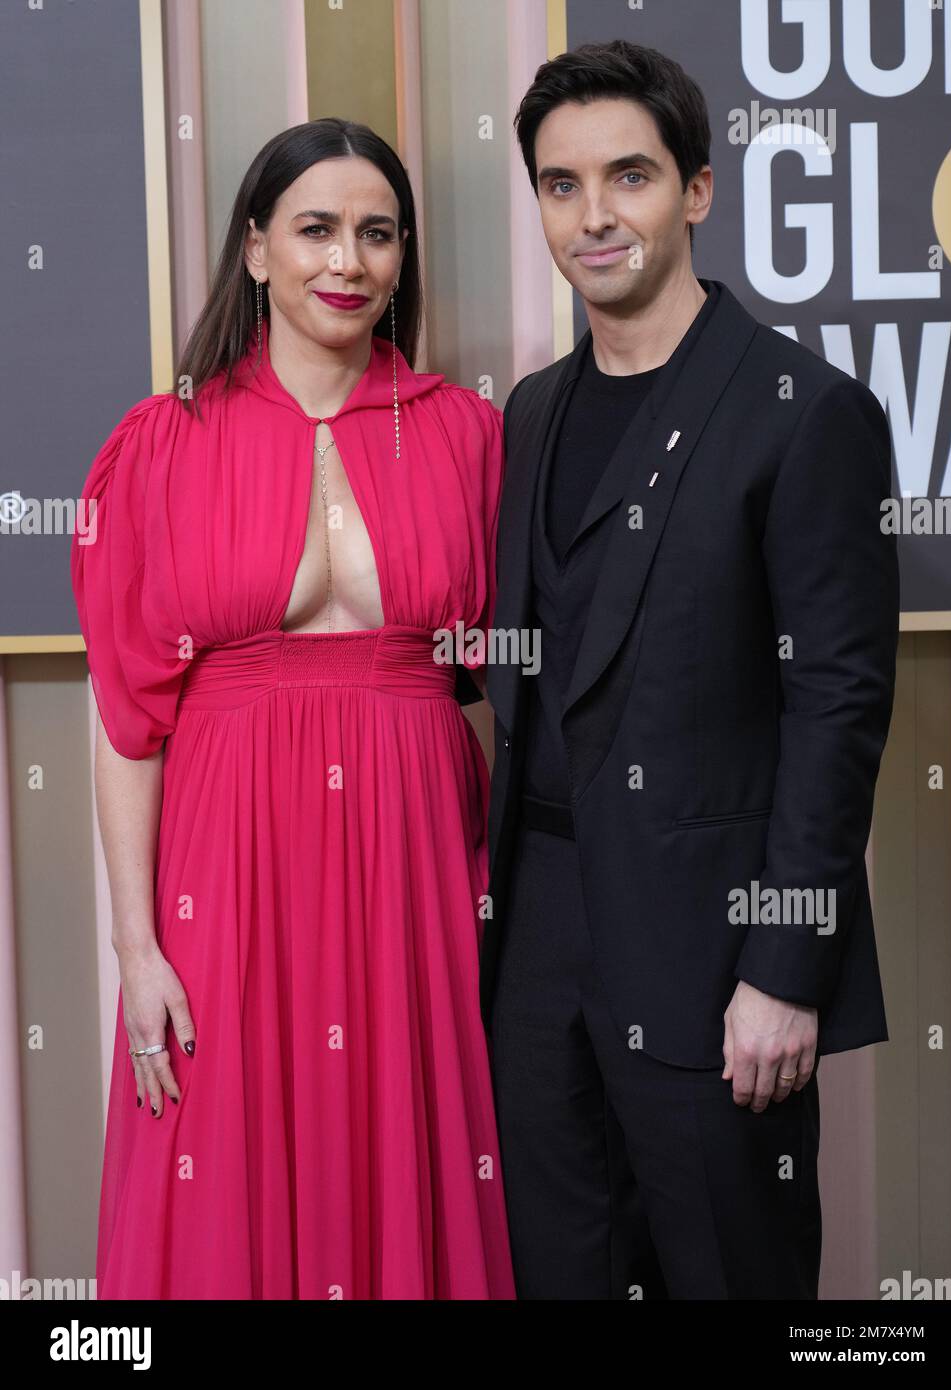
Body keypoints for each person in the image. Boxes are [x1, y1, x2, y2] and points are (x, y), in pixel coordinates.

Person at [481, 41, 899, 1299]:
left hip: (720, 943)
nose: (594, 217)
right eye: (561, 186)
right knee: (563, 1271)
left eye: (629, 177)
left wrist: (784, 970)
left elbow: (839, 706)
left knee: (732, 1276)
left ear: (699, 191)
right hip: (541, 927)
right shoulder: (533, 411)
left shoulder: (803, 408)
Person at [72, 117, 515, 1300]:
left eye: (377, 234)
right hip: (229, 858)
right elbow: (127, 721)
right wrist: (137, 948)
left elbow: (503, 688)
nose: (347, 261)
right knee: (222, 1163)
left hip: (417, 852)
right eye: (315, 229)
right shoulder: (161, 443)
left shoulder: (469, 435)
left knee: (410, 1135)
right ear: (257, 248)